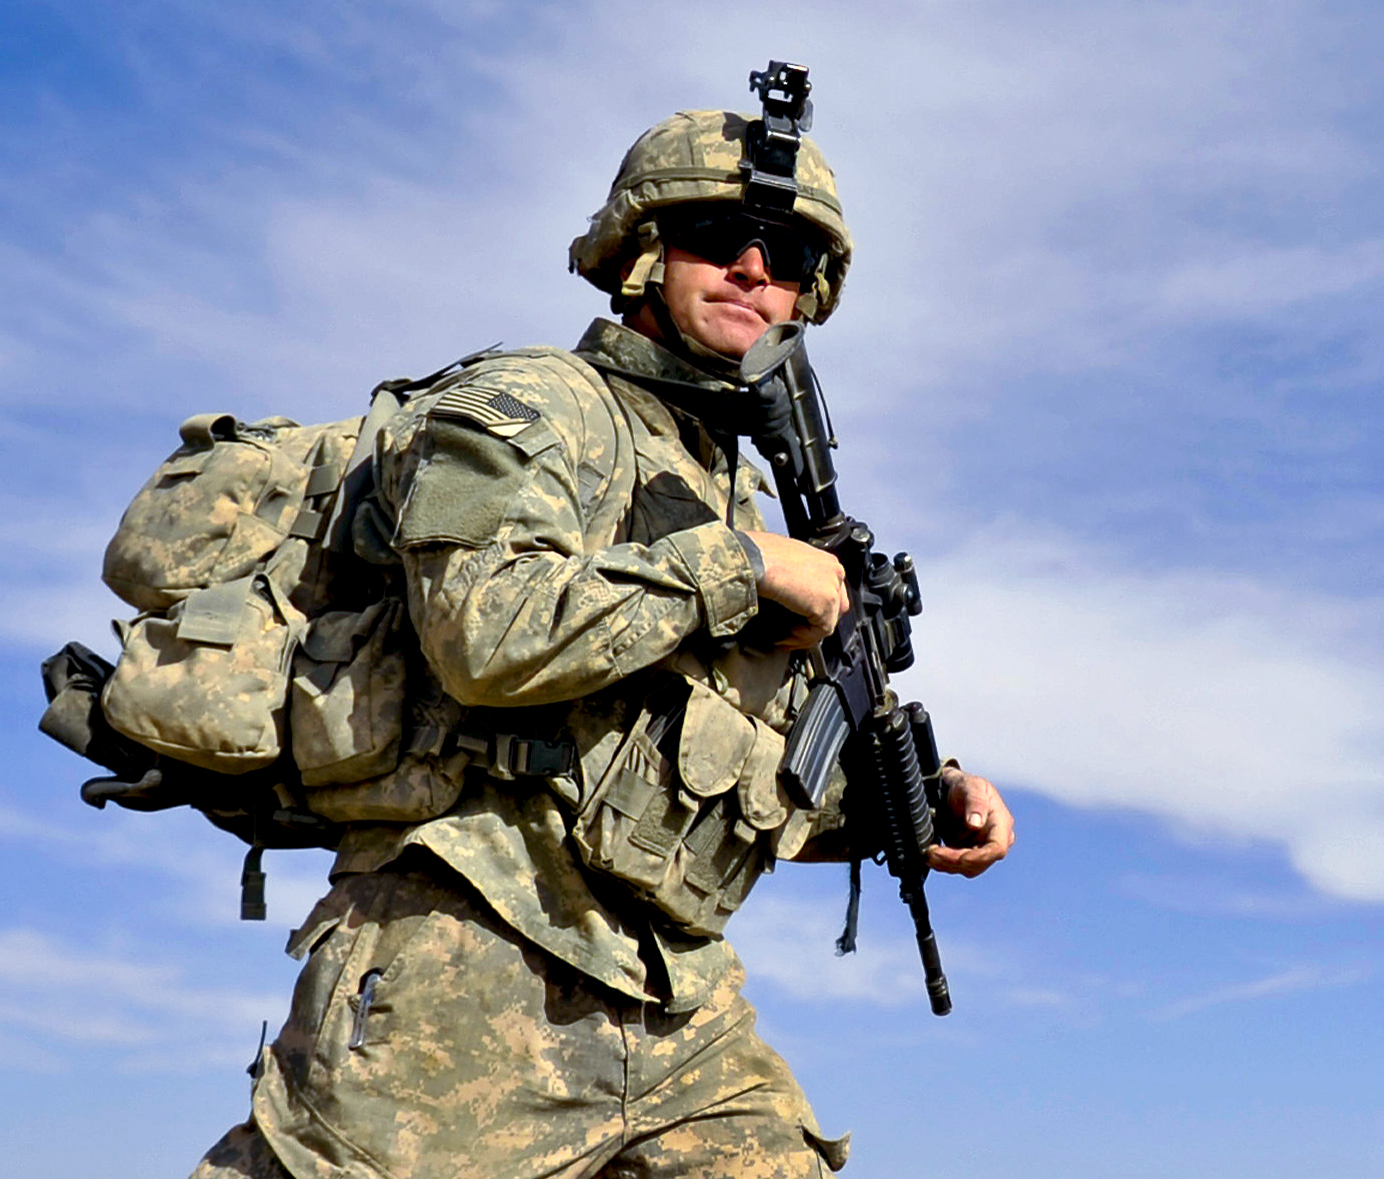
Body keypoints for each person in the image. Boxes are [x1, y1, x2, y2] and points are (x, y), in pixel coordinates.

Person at [190, 100, 1014, 1179]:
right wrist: (743, 566)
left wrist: (910, 804)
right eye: (719, 240)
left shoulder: (729, 482)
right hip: (469, 955)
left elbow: (716, 781)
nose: (756, 268)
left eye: (791, 254)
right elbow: (483, 638)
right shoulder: (537, 403)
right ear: (641, 253)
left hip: (676, 1002)